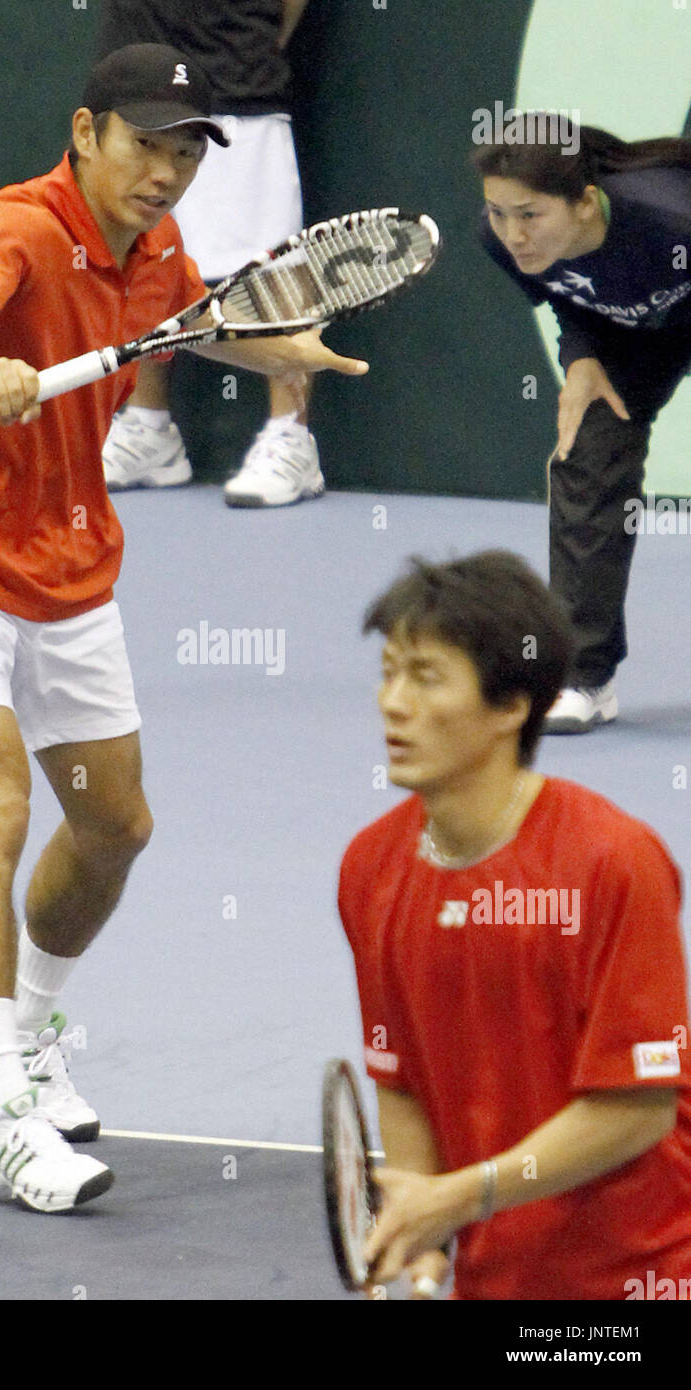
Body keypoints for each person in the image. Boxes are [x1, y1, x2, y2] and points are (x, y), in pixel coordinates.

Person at [0, 43, 367, 1213]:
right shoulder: (15, 226)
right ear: (86, 132)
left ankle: (32, 1030)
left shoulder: (154, 247)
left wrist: (272, 348)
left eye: (189, 152)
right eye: (147, 144)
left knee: (114, 825)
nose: (169, 170)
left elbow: (177, 327)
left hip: (68, 566)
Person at [338, 551, 691, 1300]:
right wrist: (423, 1229)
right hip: (498, 1281)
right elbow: (400, 1076)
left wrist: (460, 1198)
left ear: (511, 707)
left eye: (426, 677)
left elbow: (639, 1109)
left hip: (647, 1277)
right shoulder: (369, 870)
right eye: (389, 671)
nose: (393, 703)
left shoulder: (613, 863)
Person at [473, 121, 691, 733]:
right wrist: (582, 357)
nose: (513, 234)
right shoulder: (501, 243)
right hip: (635, 335)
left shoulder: (671, 220)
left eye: (530, 215)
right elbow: (569, 289)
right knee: (586, 456)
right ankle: (584, 677)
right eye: (497, 212)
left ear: (585, 202)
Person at [95, 1, 320, 507]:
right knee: (141, 260)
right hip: (134, 74)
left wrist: (248, 38)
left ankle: (293, 437)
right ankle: (148, 427)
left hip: (237, 80)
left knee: (272, 276)